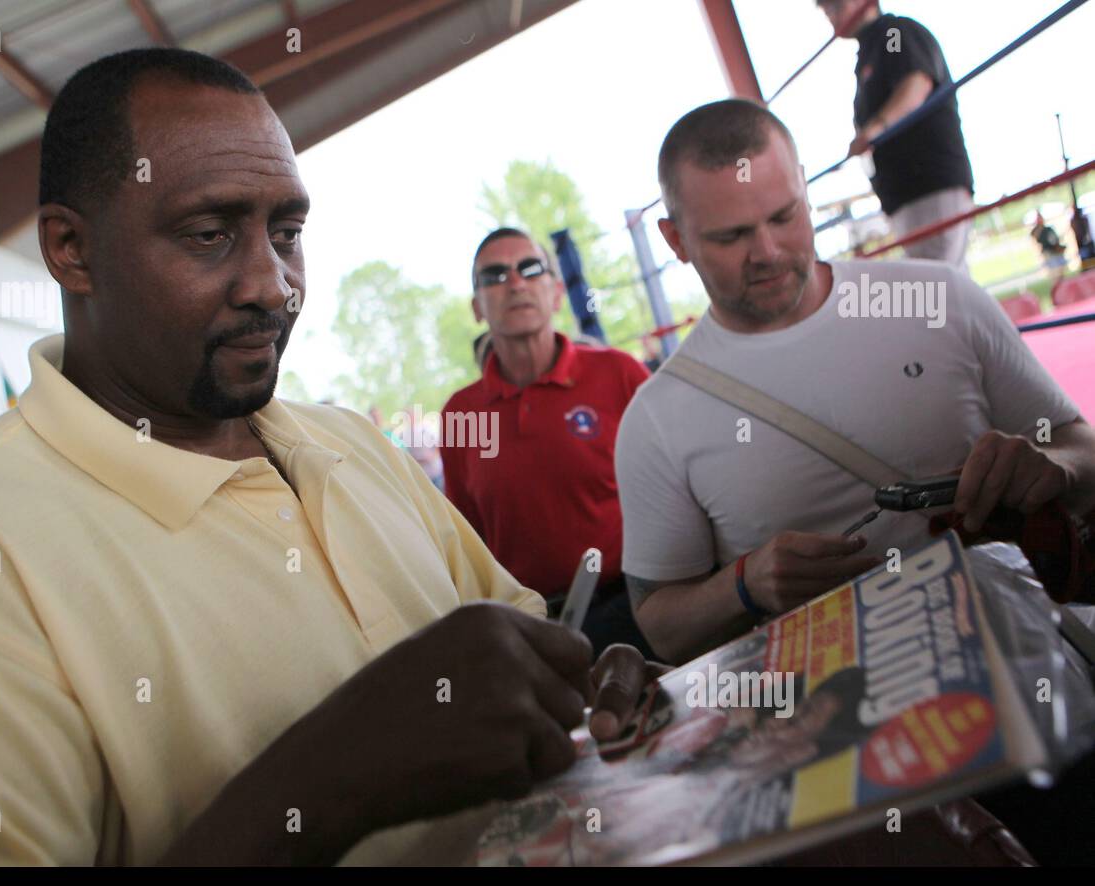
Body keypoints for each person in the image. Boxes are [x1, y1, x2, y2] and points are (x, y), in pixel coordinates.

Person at [0, 48, 653, 866]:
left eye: (286, 231)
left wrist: (585, 677)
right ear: (71, 249)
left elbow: (524, 643)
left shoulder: (351, 446)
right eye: (210, 234)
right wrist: (329, 782)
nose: (273, 284)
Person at [616, 98, 1095, 667]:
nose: (767, 252)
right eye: (731, 236)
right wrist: (743, 585)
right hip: (838, 715)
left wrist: (1052, 467)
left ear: (806, 194)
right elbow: (661, 628)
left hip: (1027, 654)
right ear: (676, 242)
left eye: (784, 216)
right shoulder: (656, 419)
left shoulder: (940, 299)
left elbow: (1081, 450)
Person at [440, 227, 653, 658]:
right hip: (535, 635)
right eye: (495, 275)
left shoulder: (619, 374)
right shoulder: (461, 414)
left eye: (530, 269)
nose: (515, 283)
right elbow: (466, 545)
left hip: (642, 605)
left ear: (557, 293)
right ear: (477, 307)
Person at [818, 0, 975, 268]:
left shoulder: (893, 33)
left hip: (927, 185)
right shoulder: (871, 51)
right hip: (907, 193)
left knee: (938, 289)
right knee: (938, 289)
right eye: (826, 10)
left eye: (835, 5)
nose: (831, 16)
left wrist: (873, 130)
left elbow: (916, 82)